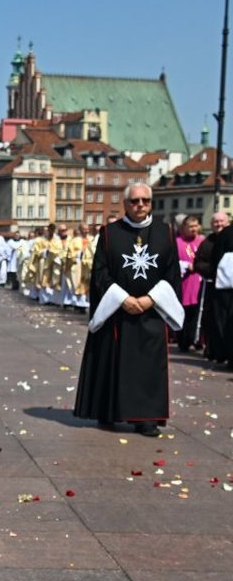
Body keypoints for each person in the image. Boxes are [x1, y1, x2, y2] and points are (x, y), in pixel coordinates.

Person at [74, 182, 182, 437]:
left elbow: (172, 273)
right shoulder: (110, 233)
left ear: (151, 203)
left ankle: (146, 418)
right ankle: (110, 410)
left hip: (152, 312)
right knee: (114, 362)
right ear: (125, 204)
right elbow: (100, 272)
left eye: (145, 200)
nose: (140, 205)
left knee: (149, 366)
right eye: (134, 201)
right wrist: (122, 299)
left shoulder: (165, 233)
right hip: (118, 312)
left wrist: (151, 299)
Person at [196, 211, 230, 358]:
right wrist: (213, 271)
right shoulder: (207, 242)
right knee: (212, 320)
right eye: (216, 222)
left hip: (228, 286)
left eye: (222, 221)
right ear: (211, 224)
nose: (219, 224)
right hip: (212, 285)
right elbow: (199, 262)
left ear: (228, 222)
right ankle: (214, 350)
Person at [203, 213, 233, 365]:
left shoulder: (225, 234)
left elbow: (215, 259)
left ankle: (223, 352)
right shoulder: (226, 233)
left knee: (222, 320)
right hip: (224, 285)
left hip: (223, 284)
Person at [175, 215, 205, 352]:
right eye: (190, 226)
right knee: (183, 313)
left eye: (195, 226)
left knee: (196, 313)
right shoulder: (176, 242)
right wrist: (186, 265)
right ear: (184, 228)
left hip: (198, 281)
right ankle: (183, 341)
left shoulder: (202, 241)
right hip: (184, 282)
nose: (193, 229)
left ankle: (196, 339)